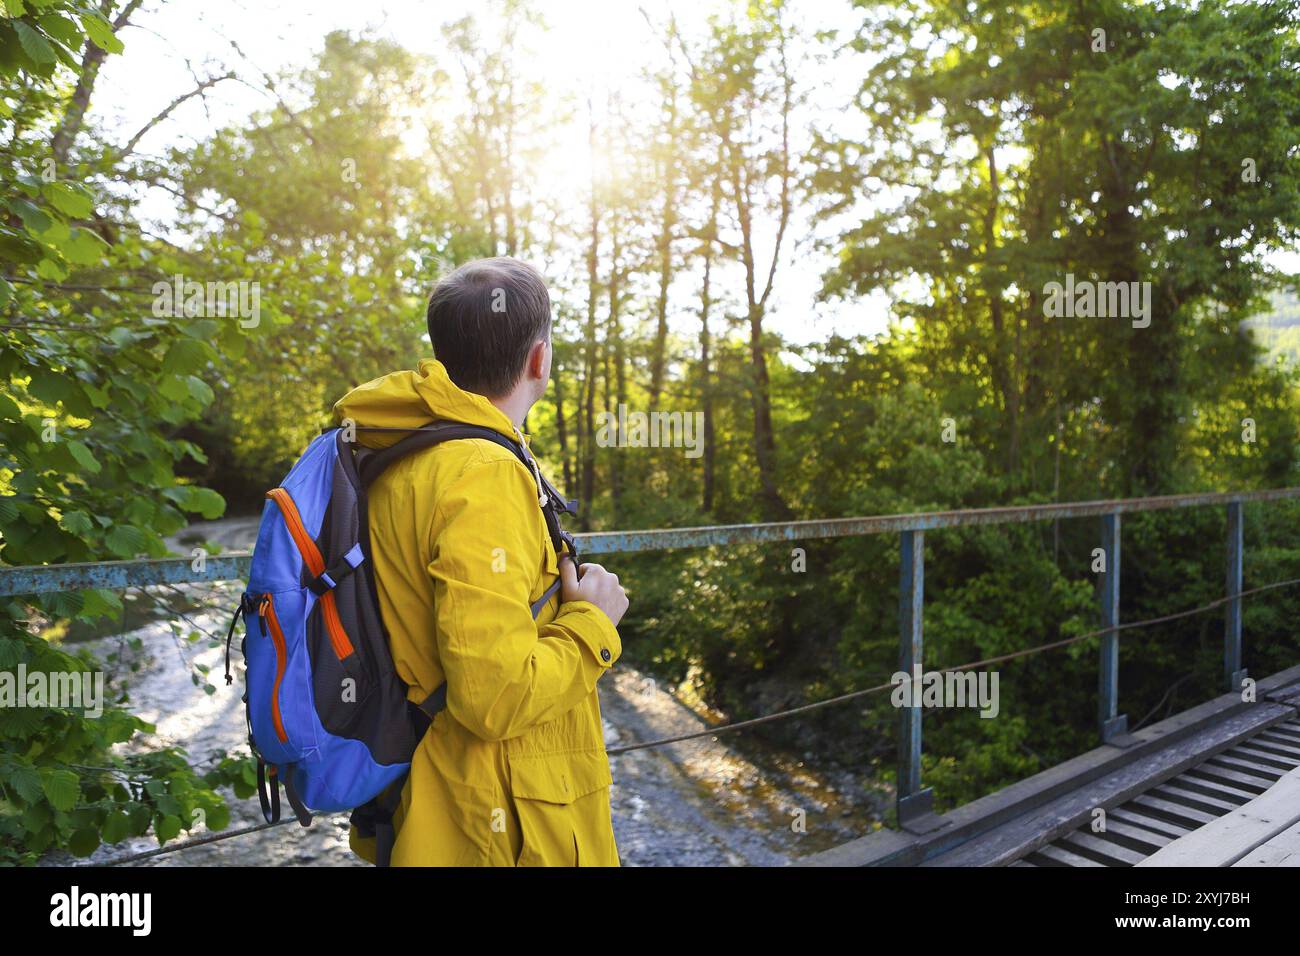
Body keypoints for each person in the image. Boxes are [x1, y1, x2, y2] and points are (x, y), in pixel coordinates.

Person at [336, 256, 629, 866]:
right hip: (493, 824)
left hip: (433, 797)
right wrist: (595, 624)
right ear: (539, 359)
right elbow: (494, 698)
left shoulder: (402, 456)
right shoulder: (484, 473)